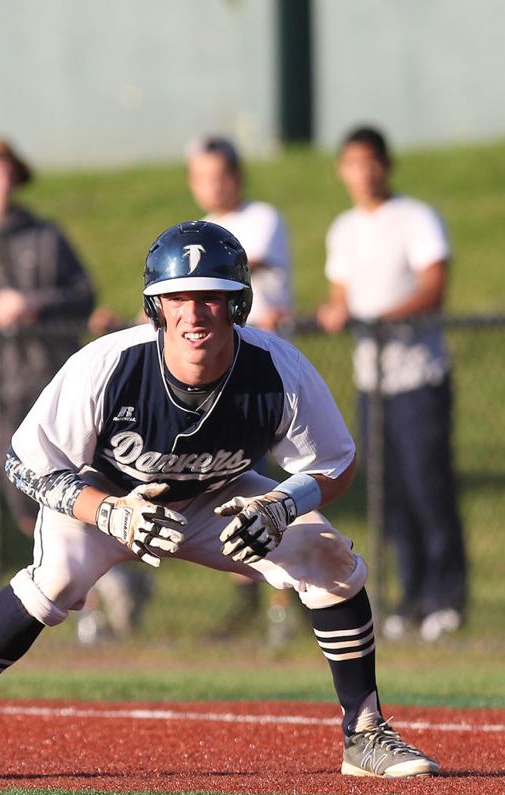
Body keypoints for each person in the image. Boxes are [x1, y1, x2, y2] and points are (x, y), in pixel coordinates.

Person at [0, 220, 441, 781]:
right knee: (53, 580)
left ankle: (364, 734)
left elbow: (335, 464)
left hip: (220, 496)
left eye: (210, 298)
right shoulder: (110, 365)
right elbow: (24, 463)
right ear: (155, 307)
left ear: (237, 304)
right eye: (176, 298)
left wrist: (283, 504)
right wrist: (106, 509)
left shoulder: (277, 368)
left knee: (325, 554)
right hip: (109, 497)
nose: (193, 315)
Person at [0, 135, 151, 640]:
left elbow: (81, 292)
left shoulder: (45, 233)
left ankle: (93, 604)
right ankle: (110, 583)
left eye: (6, 173)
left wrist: (31, 303)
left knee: (79, 482)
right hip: (4, 382)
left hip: (57, 376)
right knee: (26, 495)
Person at [317, 125, 467, 643]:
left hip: (417, 377)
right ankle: (409, 596)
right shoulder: (343, 229)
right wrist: (337, 313)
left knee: (429, 487)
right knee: (389, 492)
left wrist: (379, 318)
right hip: (371, 380)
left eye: (370, 162)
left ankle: (447, 597)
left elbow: (434, 286)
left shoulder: (416, 218)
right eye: (351, 163)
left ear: (386, 164)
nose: (362, 173)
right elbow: (341, 295)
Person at [186, 135, 297, 643]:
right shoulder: (197, 231)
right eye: (202, 176)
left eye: (219, 175)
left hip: (261, 372)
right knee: (229, 486)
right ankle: (247, 598)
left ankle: (284, 599)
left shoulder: (261, 218)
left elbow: (244, 264)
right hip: (215, 377)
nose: (212, 185)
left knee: (275, 487)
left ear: (237, 176)